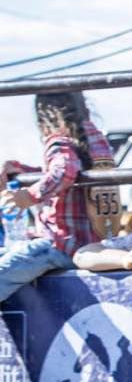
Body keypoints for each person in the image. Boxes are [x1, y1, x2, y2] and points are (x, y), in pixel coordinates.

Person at [0, 93, 114, 301]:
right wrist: (22, 171)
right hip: (90, 241)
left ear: (44, 118)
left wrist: (29, 195)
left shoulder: (59, 142)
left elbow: (65, 171)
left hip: (59, 243)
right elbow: (69, 173)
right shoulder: (96, 142)